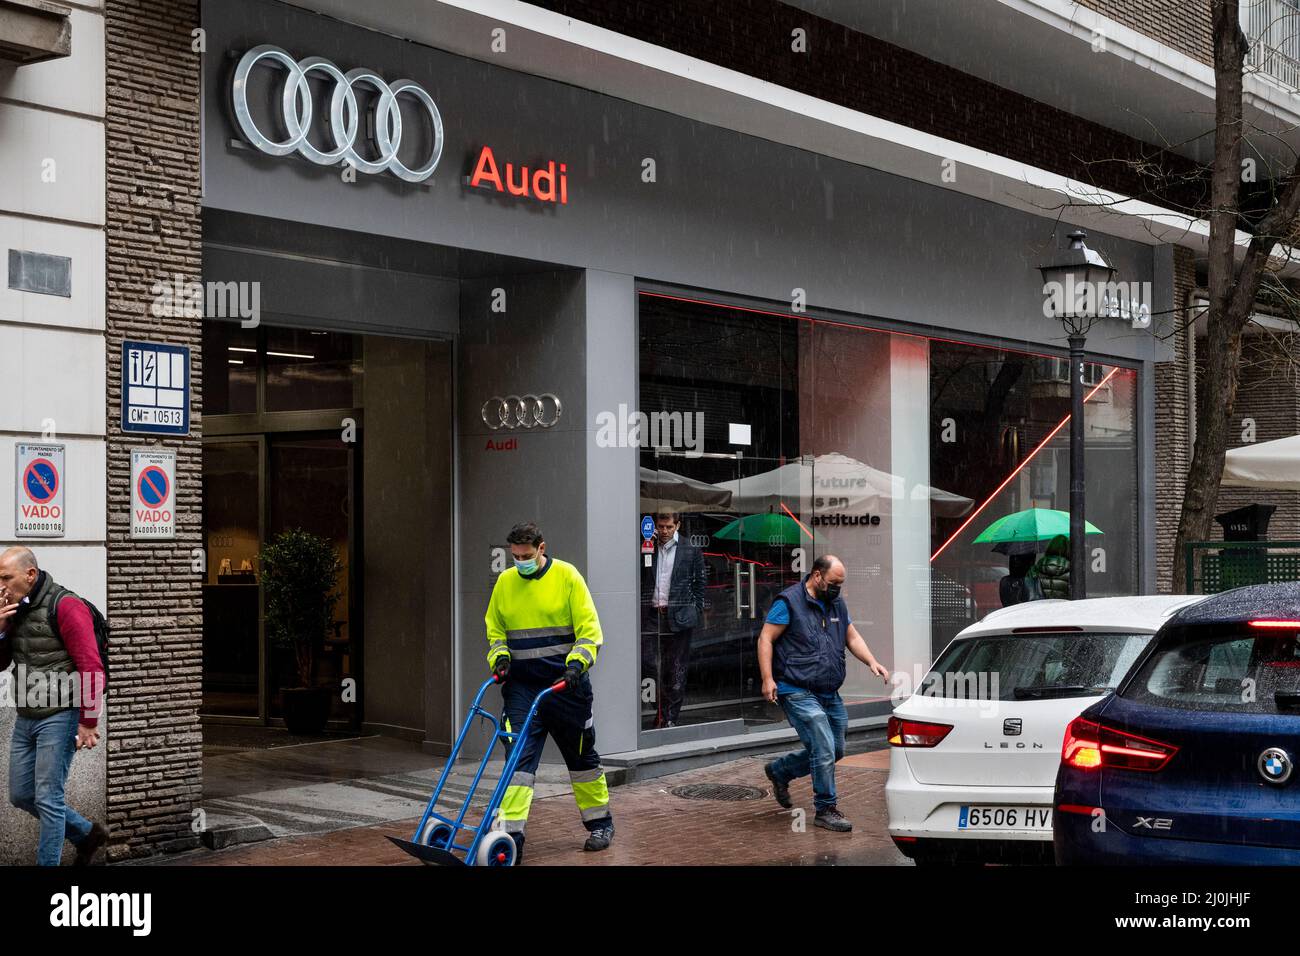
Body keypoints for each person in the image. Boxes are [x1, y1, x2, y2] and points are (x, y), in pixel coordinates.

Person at [485, 522, 613, 862]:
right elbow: (495, 630)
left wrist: (577, 664)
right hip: (523, 688)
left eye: (526, 556)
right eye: (515, 557)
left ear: (542, 548)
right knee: (519, 762)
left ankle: (600, 823)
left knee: (581, 759)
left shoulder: (568, 577)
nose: (520, 562)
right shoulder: (505, 583)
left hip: (565, 686)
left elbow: (589, 631)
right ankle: (511, 836)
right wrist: (499, 659)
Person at [757, 555, 890, 832]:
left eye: (840, 584)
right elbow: (766, 638)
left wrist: (872, 661)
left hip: (829, 692)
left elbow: (851, 636)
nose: (837, 589)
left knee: (836, 749)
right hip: (796, 688)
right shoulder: (789, 602)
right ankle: (826, 808)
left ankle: (780, 771)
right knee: (822, 744)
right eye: (833, 583)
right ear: (817, 575)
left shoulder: (836, 603)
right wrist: (768, 679)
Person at [0, 546, 108, 866]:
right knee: (20, 795)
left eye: (6, 577)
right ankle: (87, 834)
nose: (1, 585)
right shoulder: (13, 608)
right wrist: (2, 631)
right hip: (27, 715)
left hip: (61, 715)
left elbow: (91, 666)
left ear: (30, 575)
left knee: (48, 798)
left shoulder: (66, 606)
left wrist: (89, 721)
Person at [642, 511, 706, 728]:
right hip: (652, 615)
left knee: (676, 668)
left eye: (669, 527)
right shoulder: (647, 547)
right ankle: (660, 709)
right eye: (661, 526)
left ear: (677, 525)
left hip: (678, 617)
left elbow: (700, 583)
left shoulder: (689, 550)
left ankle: (669, 717)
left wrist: (695, 610)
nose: (664, 531)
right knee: (648, 664)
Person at [1029, 534, 1071, 600]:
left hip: (1037, 608)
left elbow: (1029, 592)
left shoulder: (1034, 569)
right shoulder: (1072, 571)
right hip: (1063, 608)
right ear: (1068, 550)